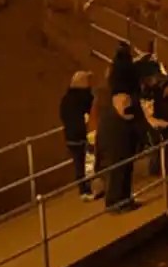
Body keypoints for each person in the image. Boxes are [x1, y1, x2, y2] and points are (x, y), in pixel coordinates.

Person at [96, 90, 139, 213]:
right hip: (114, 152)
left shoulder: (116, 116)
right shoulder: (109, 118)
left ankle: (126, 200)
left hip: (124, 150)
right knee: (115, 178)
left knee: (125, 175)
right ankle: (113, 204)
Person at [59, 71, 96, 201]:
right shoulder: (84, 97)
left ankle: (84, 190)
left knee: (79, 165)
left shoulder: (65, 99)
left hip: (70, 137)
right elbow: (92, 111)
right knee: (88, 163)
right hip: (83, 136)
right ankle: (90, 189)